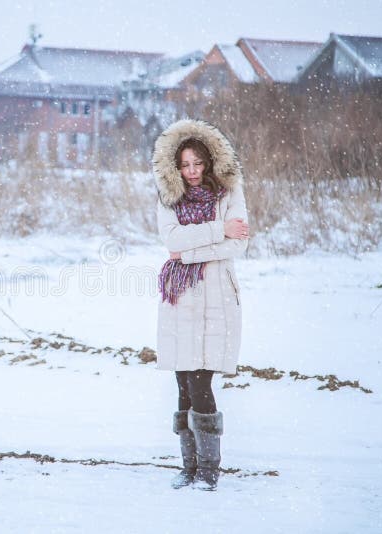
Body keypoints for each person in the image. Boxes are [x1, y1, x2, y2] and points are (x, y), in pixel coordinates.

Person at [153, 119, 249, 491]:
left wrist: (190, 251)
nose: (192, 171)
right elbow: (171, 241)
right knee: (183, 381)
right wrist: (218, 230)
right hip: (180, 298)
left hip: (216, 296)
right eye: (185, 165)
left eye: (198, 163)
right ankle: (189, 467)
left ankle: (209, 470)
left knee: (201, 381)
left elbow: (238, 244)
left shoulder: (230, 192)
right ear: (175, 167)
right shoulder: (168, 197)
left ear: (209, 162)